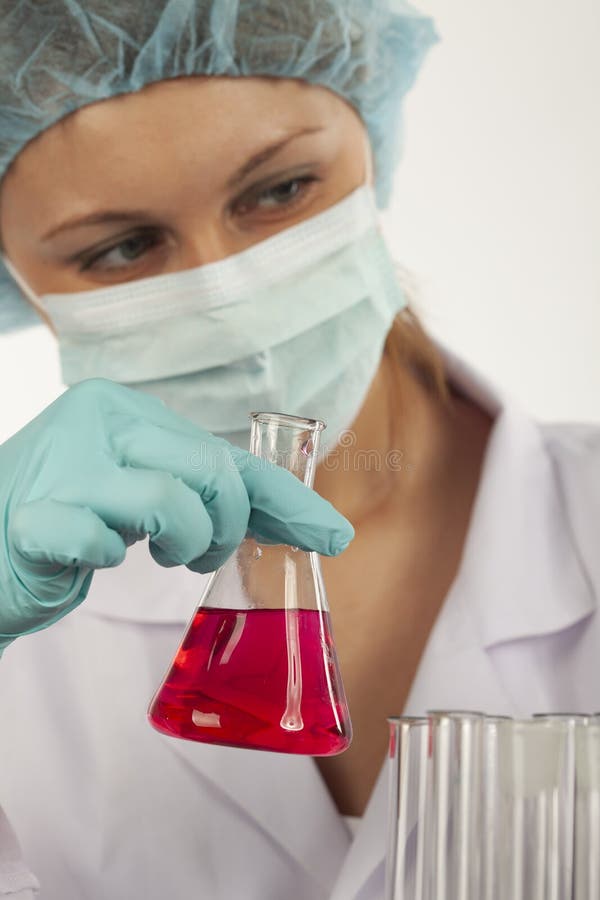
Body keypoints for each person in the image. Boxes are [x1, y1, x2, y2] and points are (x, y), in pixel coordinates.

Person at [0, 2, 598, 898]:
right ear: (23, 286)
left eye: (280, 190)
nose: (228, 300)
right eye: (122, 248)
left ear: (371, 153)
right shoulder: (22, 610)